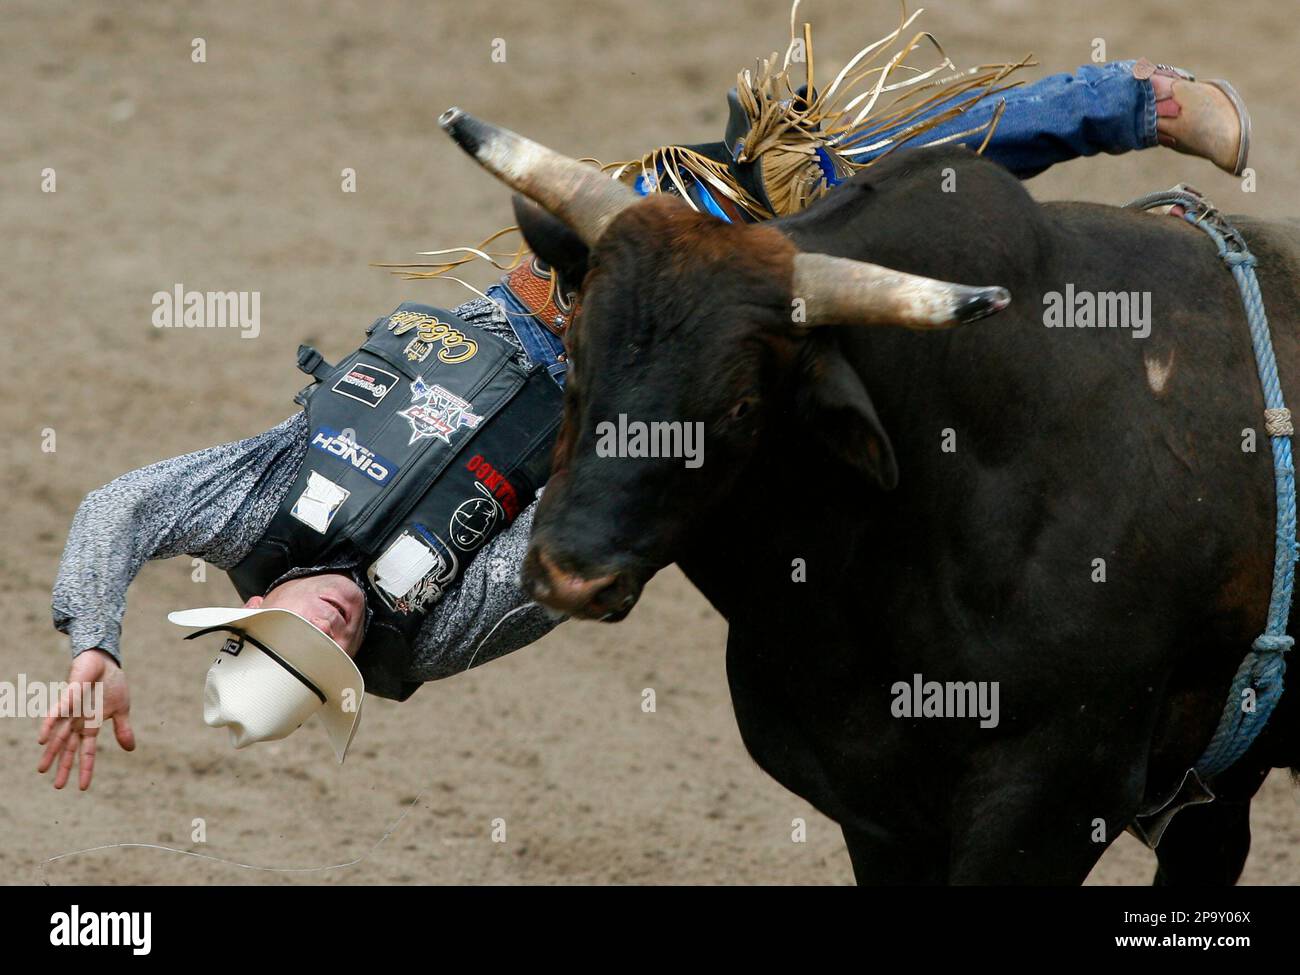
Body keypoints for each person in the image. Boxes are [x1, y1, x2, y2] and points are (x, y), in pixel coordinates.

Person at [38, 15, 1250, 789]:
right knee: (849, 195)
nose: (336, 630)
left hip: (550, 284)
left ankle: (1127, 101)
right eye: (331, 664)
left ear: (258, 602)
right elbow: (568, 541)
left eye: (297, 633)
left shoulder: (261, 502)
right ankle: (1129, 103)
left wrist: (93, 642)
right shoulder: (431, 630)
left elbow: (117, 507)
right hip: (646, 351)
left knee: (812, 180)